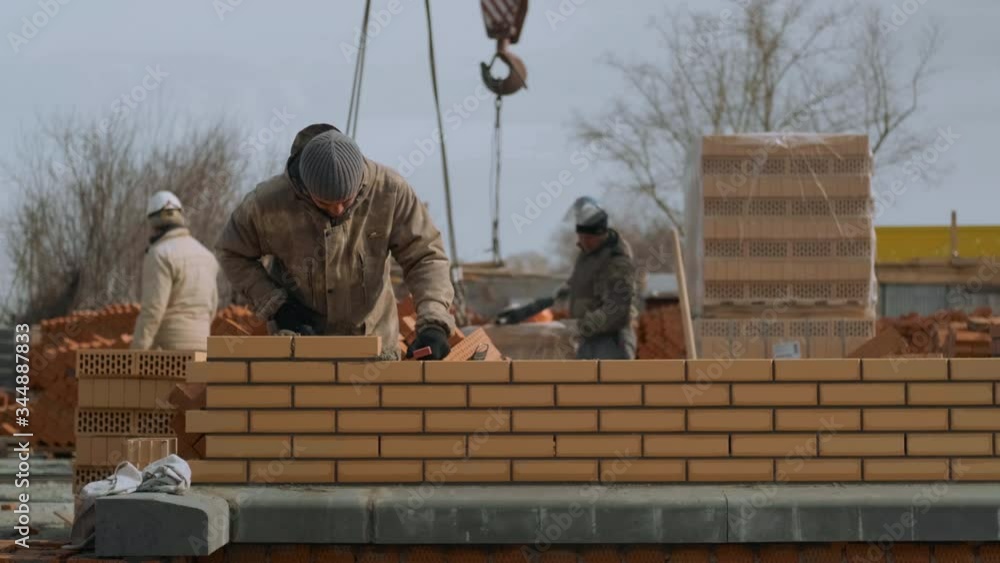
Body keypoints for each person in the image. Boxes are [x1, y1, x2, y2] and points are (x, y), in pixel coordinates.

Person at [215, 124, 455, 360]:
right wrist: (277, 305)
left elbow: (425, 256)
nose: (337, 210)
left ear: (359, 182)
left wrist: (433, 323)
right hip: (299, 348)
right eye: (324, 203)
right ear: (305, 190)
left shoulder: (389, 192)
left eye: (346, 200)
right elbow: (231, 252)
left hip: (375, 350)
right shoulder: (268, 204)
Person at [497, 196, 637, 359]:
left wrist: (580, 326)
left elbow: (617, 311)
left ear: (598, 234)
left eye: (586, 238)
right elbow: (564, 294)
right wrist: (521, 314)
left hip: (612, 343)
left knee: (607, 384)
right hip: (588, 340)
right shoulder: (587, 256)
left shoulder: (617, 261)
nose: (581, 242)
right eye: (580, 237)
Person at [131, 191, 220, 351]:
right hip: (203, 348)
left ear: (153, 223)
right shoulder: (207, 256)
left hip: (169, 352)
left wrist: (136, 352)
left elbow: (153, 309)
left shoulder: (159, 254)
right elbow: (212, 307)